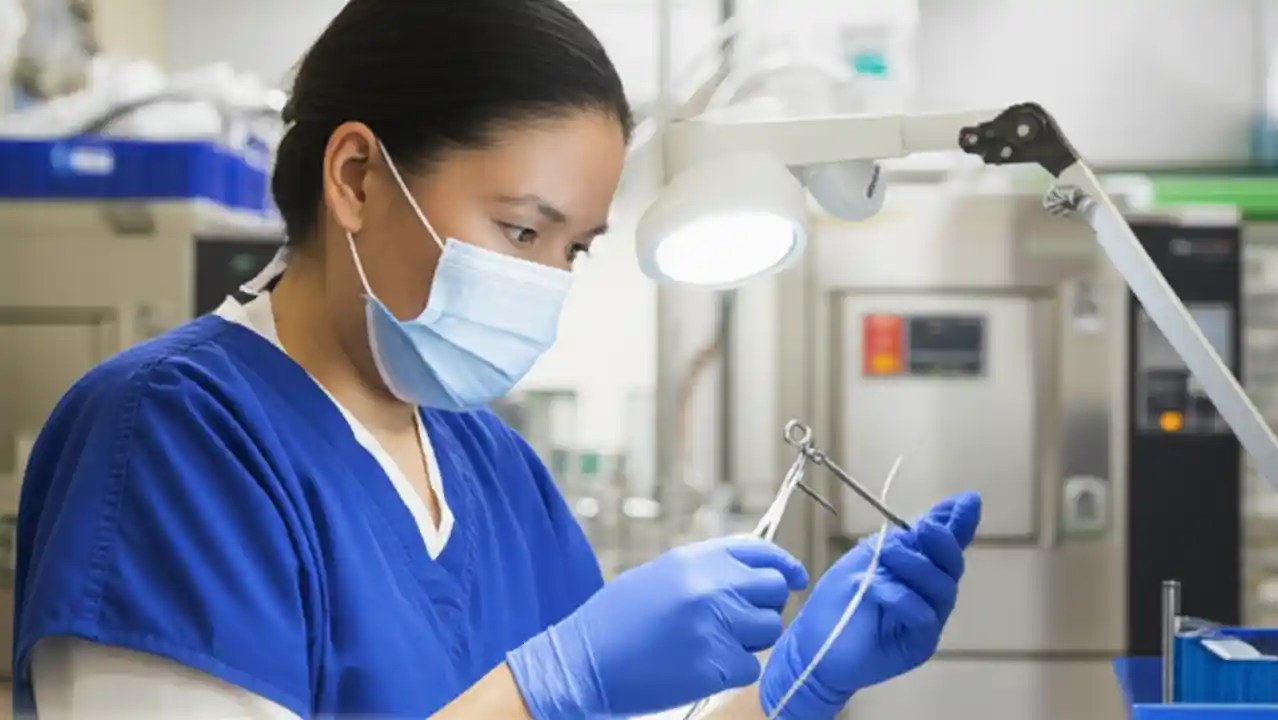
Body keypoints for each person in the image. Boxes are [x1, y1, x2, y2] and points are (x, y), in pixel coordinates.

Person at [12, 1, 983, 718]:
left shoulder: (491, 466)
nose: (546, 280)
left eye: (575, 249)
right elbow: (564, 693)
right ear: (356, 178)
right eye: (521, 230)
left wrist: (792, 682)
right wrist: (544, 688)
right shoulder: (171, 439)